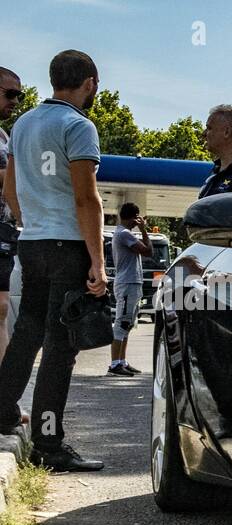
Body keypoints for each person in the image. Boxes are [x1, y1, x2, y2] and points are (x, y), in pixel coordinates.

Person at [0, 50, 106, 472]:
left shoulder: (22, 124)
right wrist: (97, 261)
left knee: (27, 333)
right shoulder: (78, 126)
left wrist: (32, 221)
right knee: (61, 347)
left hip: (33, 242)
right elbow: (86, 197)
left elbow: (10, 190)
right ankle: (49, 444)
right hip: (68, 245)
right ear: (90, 83)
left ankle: (3, 410)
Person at [107, 202, 150, 376]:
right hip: (127, 283)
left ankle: (122, 361)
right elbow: (148, 251)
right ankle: (114, 364)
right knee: (121, 323)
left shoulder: (125, 234)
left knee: (128, 324)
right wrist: (144, 230)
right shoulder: (124, 234)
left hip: (132, 282)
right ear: (133, 217)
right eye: (137, 218)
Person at [0, 66, 22, 368]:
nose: (16, 101)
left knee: (2, 309)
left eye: (20, 95)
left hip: (4, 232)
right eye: (11, 94)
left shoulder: (4, 135)